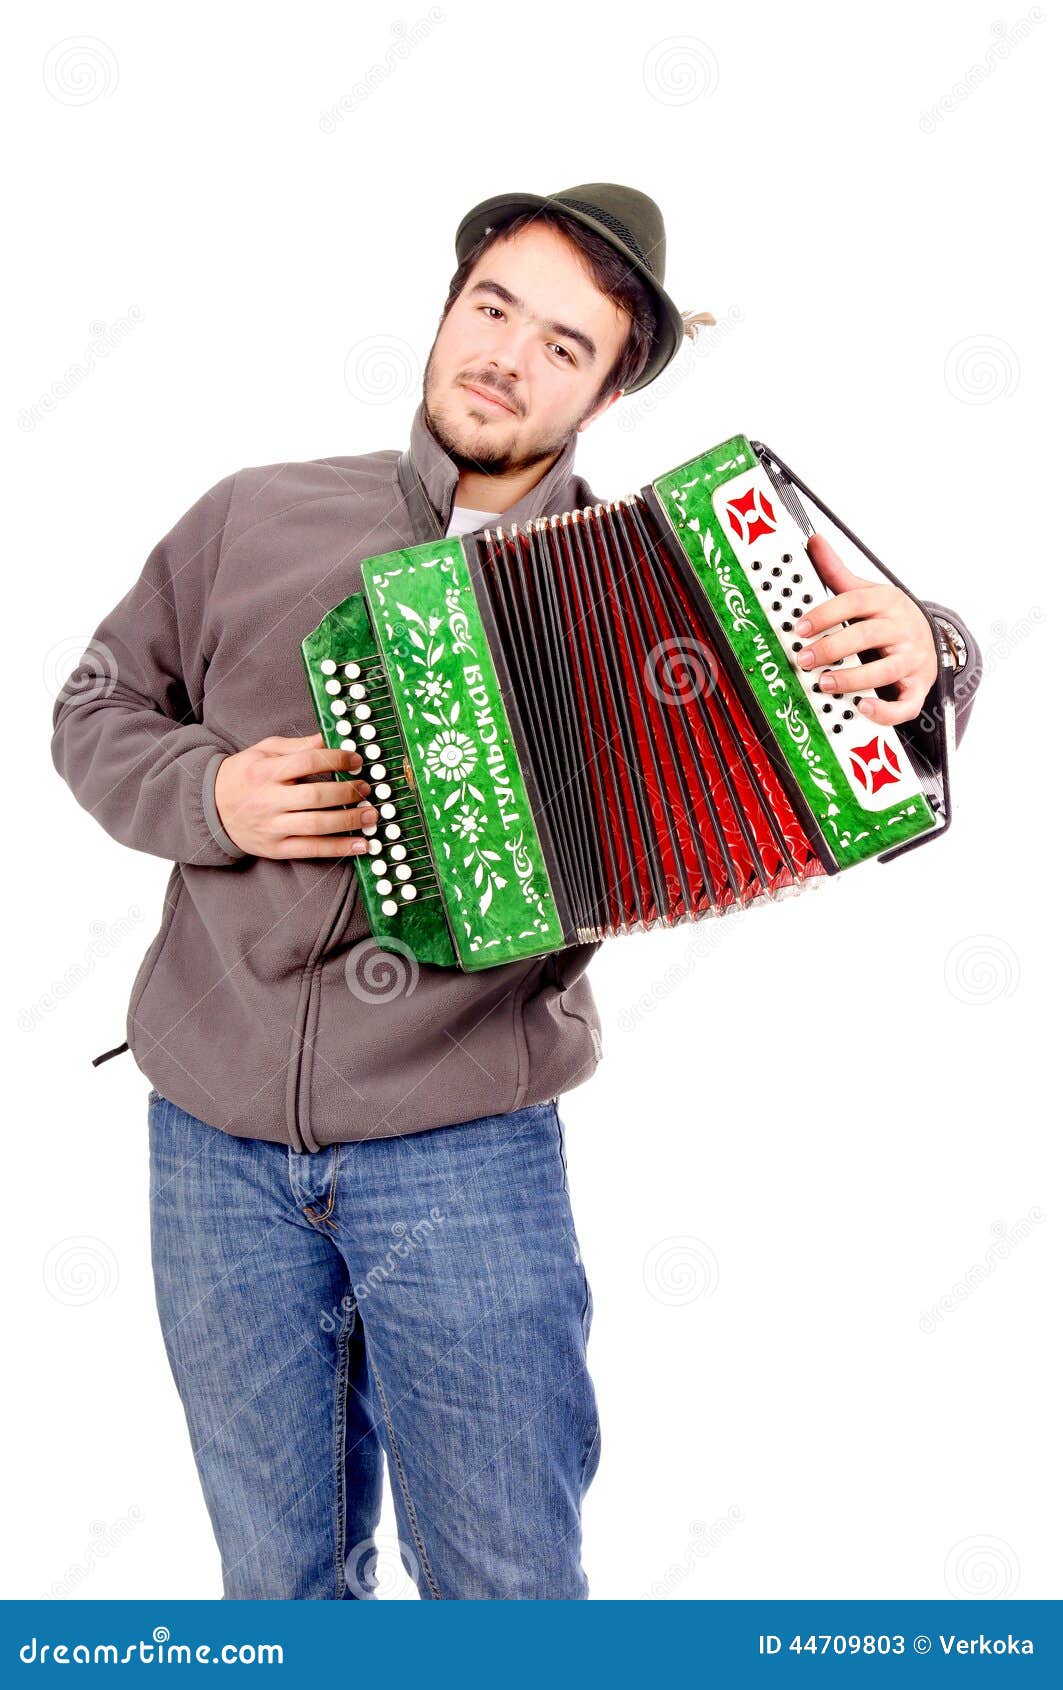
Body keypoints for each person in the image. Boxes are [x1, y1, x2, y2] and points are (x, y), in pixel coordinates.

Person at [50, 183, 982, 1600]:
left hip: (465, 1157)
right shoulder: (253, 513)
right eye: (493, 310)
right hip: (209, 1139)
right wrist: (211, 794)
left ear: (608, 391)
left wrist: (936, 650)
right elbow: (96, 705)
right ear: (445, 311)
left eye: (564, 345)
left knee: (506, 1590)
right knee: (275, 1585)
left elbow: (879, 704)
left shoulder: (673, 589)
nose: (508, 357)